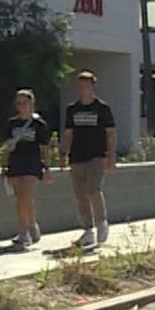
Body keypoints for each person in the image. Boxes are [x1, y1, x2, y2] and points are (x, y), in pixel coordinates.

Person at [61, 70, 117, 251]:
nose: (83, 88)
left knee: (93, 189)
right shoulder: (72, 109)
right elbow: (68, 134)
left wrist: (111, 155)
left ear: (93, 86)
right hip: (77, 157)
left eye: (86, 85)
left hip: (96, 156)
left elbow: (110, 133)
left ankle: (102, 222)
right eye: (80, 85)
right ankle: (87, 229)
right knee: (80, 195)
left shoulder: (102, 108)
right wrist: (63, 154)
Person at [0, 88, 53, 250]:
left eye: (25, 102)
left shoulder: (38, 124)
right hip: (16, 162)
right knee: (20, 197)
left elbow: (45, 148)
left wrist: (47, 168)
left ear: (32, 103)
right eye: (19, 102)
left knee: (25, 194)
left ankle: (24, 232)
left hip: (32, 163)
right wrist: (4, 166)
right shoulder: (12, 124)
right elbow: (8, 147)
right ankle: (31, 224)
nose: (22, 105)